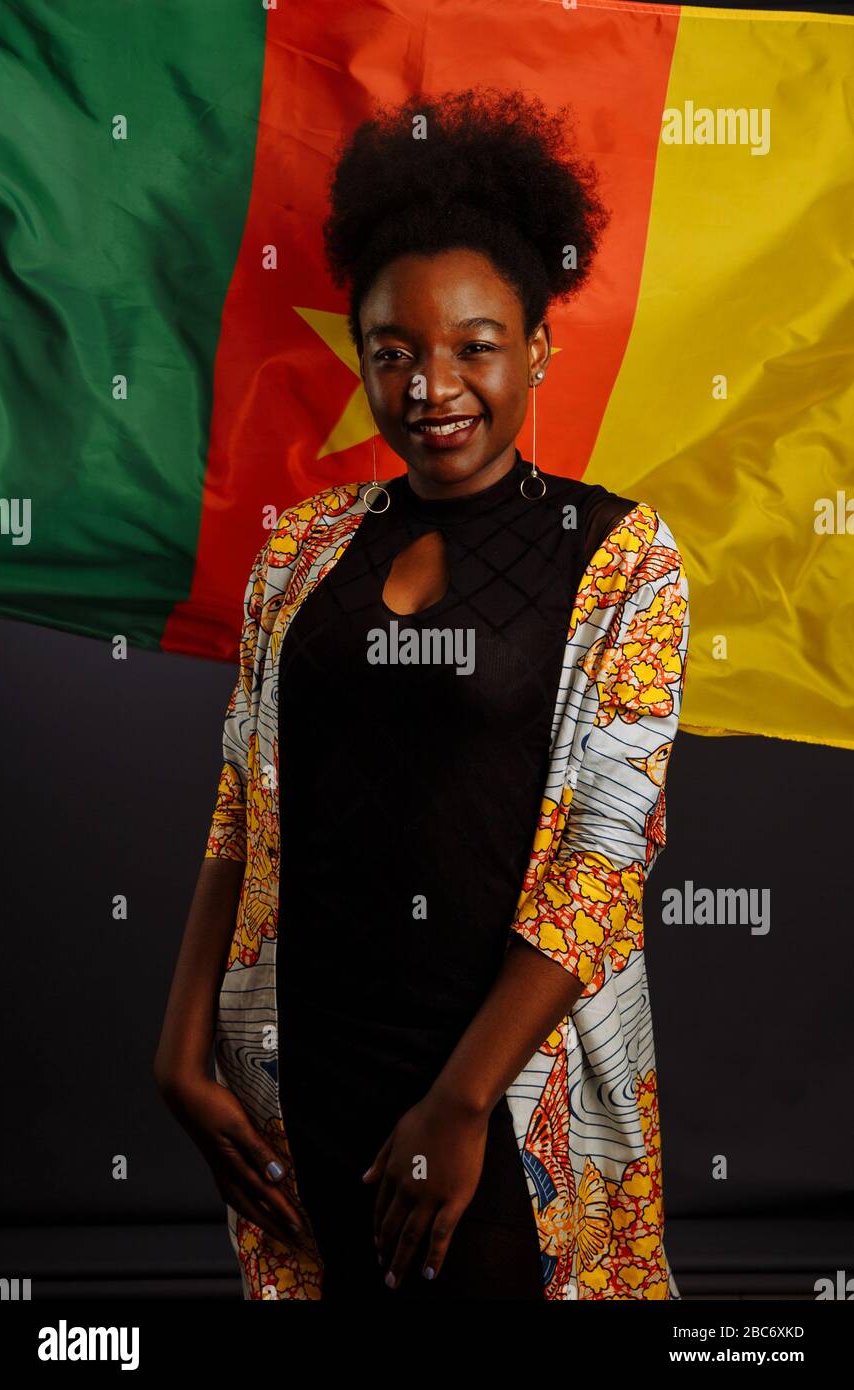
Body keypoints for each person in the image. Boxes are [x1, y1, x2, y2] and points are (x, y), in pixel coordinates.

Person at [154, 87, 690, 1301]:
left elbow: (605, 860)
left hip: (503, 1073)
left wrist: (460, 1100)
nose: (430, 385)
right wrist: (179, 1049)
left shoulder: (617, 560)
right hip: (304, 1064)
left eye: (474, 346)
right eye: (391, 351)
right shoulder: (299, 553)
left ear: (537, 345)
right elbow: (242, 805)